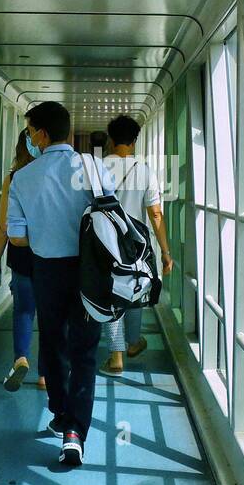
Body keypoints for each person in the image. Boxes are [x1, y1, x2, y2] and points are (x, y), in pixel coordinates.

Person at [7, 101, 115, 467]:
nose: (29, 138)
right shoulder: (96, 168)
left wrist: (45, 230)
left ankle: (59, 411)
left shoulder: (23, 178)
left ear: (40, 132)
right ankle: (75, 434)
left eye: (29, 131)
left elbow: (17, 238)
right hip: (91, 273)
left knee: (53, 342)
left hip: (48, 271)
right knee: (85, 351)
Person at [100, 114, 174, 376]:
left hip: (103, 243)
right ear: (134, 141)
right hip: (135, 244)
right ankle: (132, 343)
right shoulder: (144, 171)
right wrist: (165, 252)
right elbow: (155, 214)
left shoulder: (98, 168)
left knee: (111, 296)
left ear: (110, 139)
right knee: (132, 291)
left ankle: (115, 356)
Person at [0, 131, 45, 392]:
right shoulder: (56, 175)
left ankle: (20, 358)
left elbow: (3, 226)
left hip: (21, 256)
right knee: (50, 318)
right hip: (52, 256)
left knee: (23, 310)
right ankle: (46, 375)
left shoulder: (12, 179)